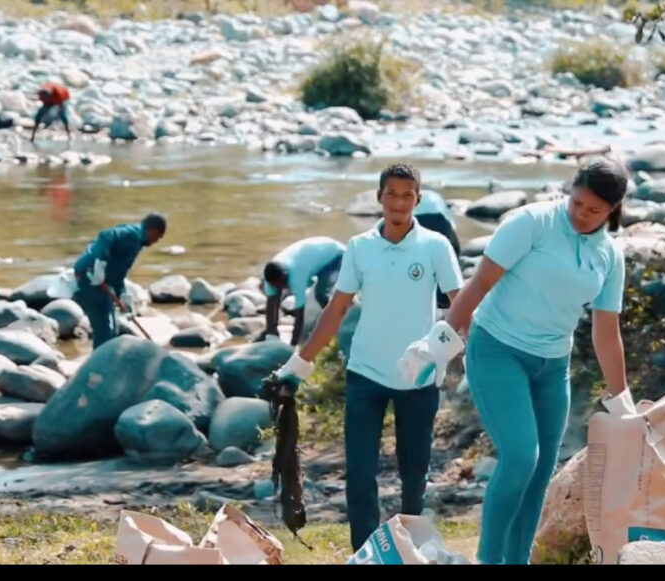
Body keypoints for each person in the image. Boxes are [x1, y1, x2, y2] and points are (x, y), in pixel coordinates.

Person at [397, 158, 635, 565]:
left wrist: (621, 398)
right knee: (522, 455)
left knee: (541, 470)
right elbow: (478, 286)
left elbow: (605, 332)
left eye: (594, 210)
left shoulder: (610, 256)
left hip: (552, 366)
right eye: (577, 202)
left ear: (612, 210)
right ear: (570, 191)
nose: (581, 214)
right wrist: (441, 342)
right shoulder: (531, 223)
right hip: (497, 351)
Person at [269, 162, 464, 551]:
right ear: (379, 198)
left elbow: (461, 306)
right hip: (365, 374)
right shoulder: (360, 247)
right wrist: (297, 366)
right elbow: (335, 311)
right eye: (391, 194)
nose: (398, 202)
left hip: (418, 379)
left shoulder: (435, 246)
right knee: (360, 476)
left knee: (414, 474)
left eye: (407, 195)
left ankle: (408, 551)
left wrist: (435, 349)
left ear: (418, 200)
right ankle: (365, 553)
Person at [72, 213, 166, 348]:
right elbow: (105, 235)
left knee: (112, 328)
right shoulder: (133, 233)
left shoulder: (137, 241)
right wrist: (100, 264)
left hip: (101, 283)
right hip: (90, 278)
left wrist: (123, 296)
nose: (157, 241)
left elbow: (118, 272)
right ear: (153, 230)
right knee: (104, 329)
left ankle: (106, 359)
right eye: (158, 237)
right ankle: (101, 364)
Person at [260, 236, 346, 346]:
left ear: (286, 276)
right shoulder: (270, 277)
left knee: (321, 295)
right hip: (313, 255)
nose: (280, 288)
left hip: (335, 256)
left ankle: (336, 328)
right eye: (276, 286)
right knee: (275, 296)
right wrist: (271, 332)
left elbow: (300, 314)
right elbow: (271, 305)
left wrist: (294, 344)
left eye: (283, 284)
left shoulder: (296, 276)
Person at [414, 189, 461, 309]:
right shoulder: (437, 198)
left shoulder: (410, 199)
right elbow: (454, 242)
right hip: (442, 221)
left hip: (417, 219)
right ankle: (444, 302)